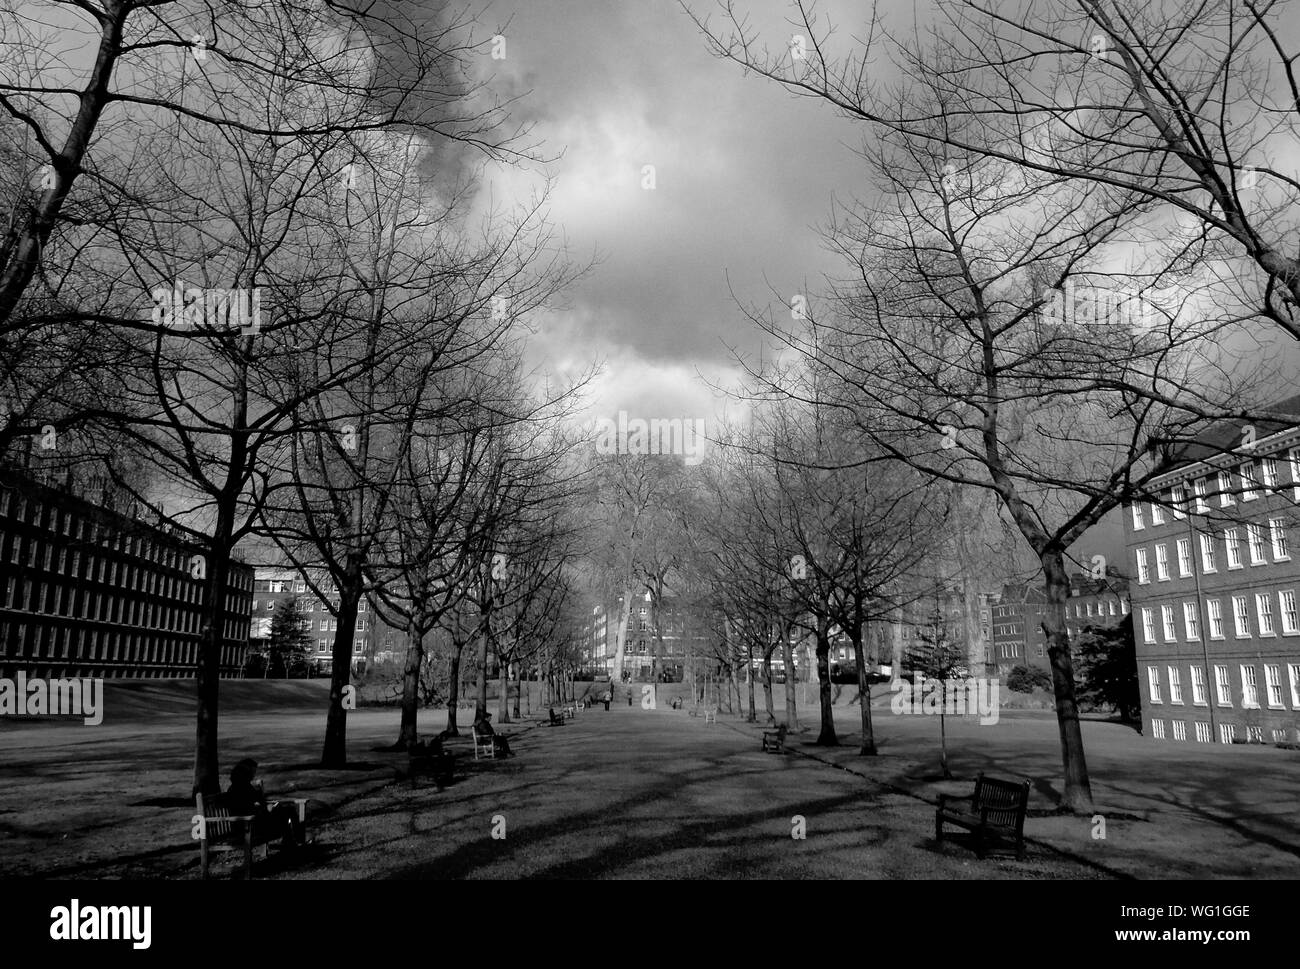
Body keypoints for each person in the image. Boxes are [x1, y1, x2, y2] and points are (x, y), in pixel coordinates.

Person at [225, 758, 305, 851]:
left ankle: (292, 842)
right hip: (247, 826)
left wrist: (267, 806)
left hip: (254, 821)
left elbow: (257, 801)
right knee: (284, 813)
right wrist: (264, 809)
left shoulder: (245, 785)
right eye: (253, 772)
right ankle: (294, 842)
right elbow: (244, 809)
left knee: (286, 811)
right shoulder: (238, 788)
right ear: (246, 772)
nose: (254, 775)